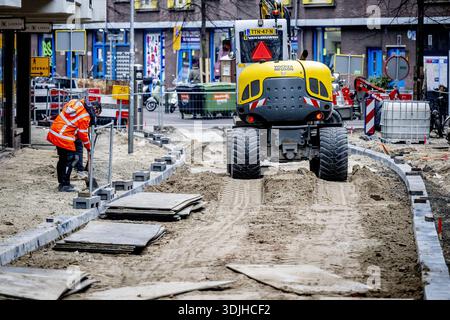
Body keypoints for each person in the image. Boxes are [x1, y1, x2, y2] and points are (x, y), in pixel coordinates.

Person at [47, 99, 101, 192]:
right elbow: (83, 134)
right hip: (64, 136)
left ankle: (62, 183)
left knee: (63, 159)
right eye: (97, 113)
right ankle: (65, 185)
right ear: (95, 109)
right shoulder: (85, 116)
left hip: (55, 132)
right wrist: (89, 147)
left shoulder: (75, 102)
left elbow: (70, 118)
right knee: (71, 159)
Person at [74, 101, 102, 179]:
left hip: (73, 131)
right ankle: (79, 168)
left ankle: (79, 166)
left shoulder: (85, 109)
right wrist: (88, 145)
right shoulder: (87, 113)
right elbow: (85, 130)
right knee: (78, 148)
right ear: (96, 109)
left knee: (76, 150)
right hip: (75, 132)